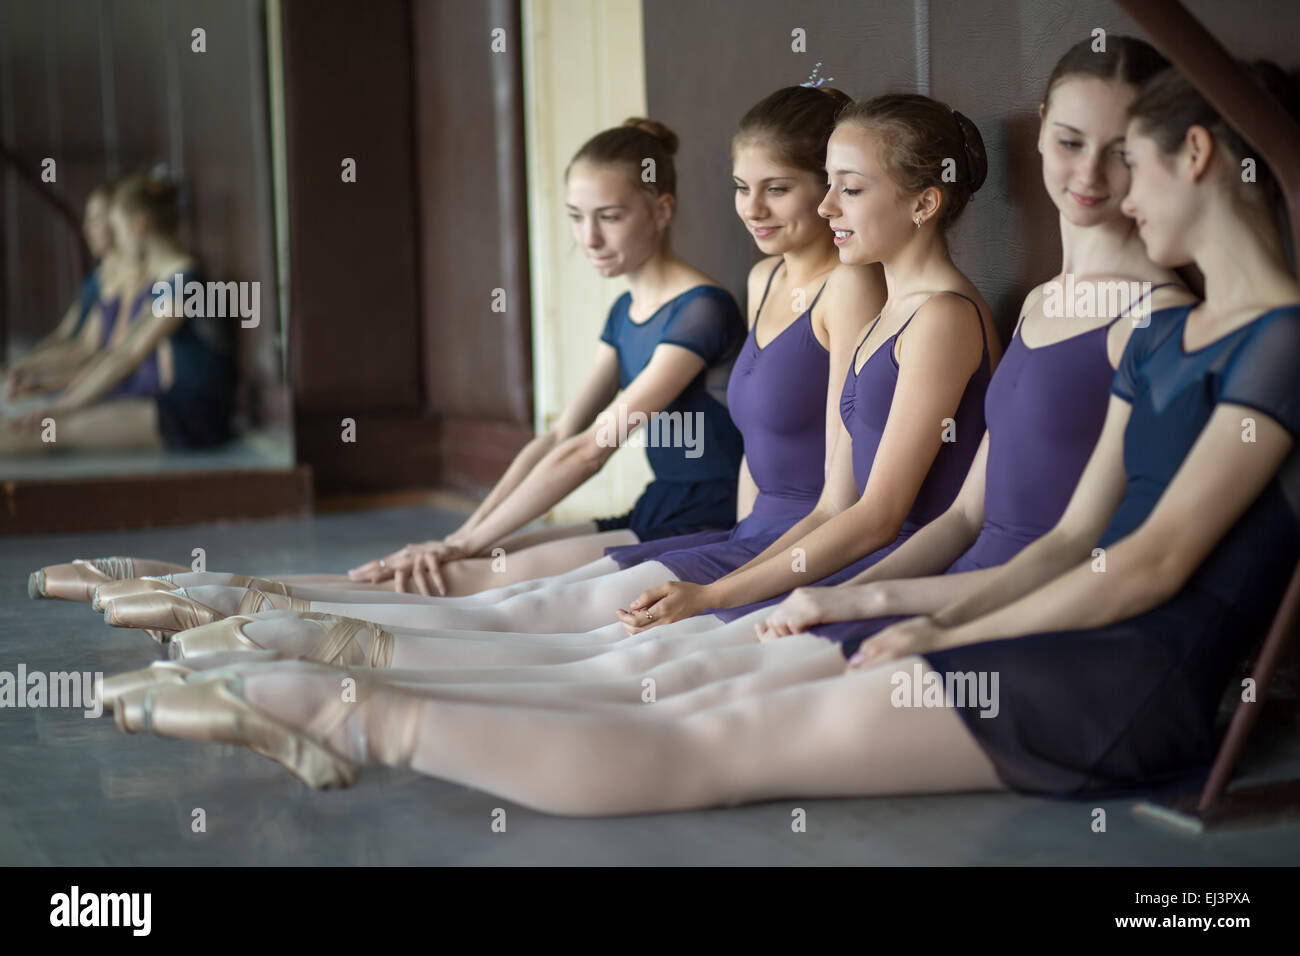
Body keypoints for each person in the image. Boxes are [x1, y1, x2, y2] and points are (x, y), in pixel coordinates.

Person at [107, 59, 1300, 816]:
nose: (1105, 183)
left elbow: (1125, 564)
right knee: (640, 665)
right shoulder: (1131, 329)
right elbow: (1034, 530)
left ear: (1193, 155)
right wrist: (874, 604)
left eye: (1125, 155)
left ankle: (316, 693)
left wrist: (907, 609)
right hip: (989, 603)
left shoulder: (1200, 328)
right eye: (1071, 144)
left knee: (699, 717)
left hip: (1120, 666)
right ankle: (280, 648)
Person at [0, 171, 236, 453]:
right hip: (168, 404)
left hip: (191, 416)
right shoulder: (167, 280)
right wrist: (53, 392)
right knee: (42, 423)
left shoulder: (187, 281)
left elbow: (128, 356)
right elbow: (117, 352)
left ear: (138, 225)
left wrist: (59, 409)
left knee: (49, 431)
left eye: (118, 230)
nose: (117, 242)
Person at [2, 181, 121, 401]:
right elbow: (66, 333)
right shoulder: (99, 274)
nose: (86, 229)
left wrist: (43, 379)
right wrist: (23, 366)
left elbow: (103, 354)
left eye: (96, 218)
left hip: (91, 379)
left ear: (119, 222)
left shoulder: (133, 280)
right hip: (72, 371)